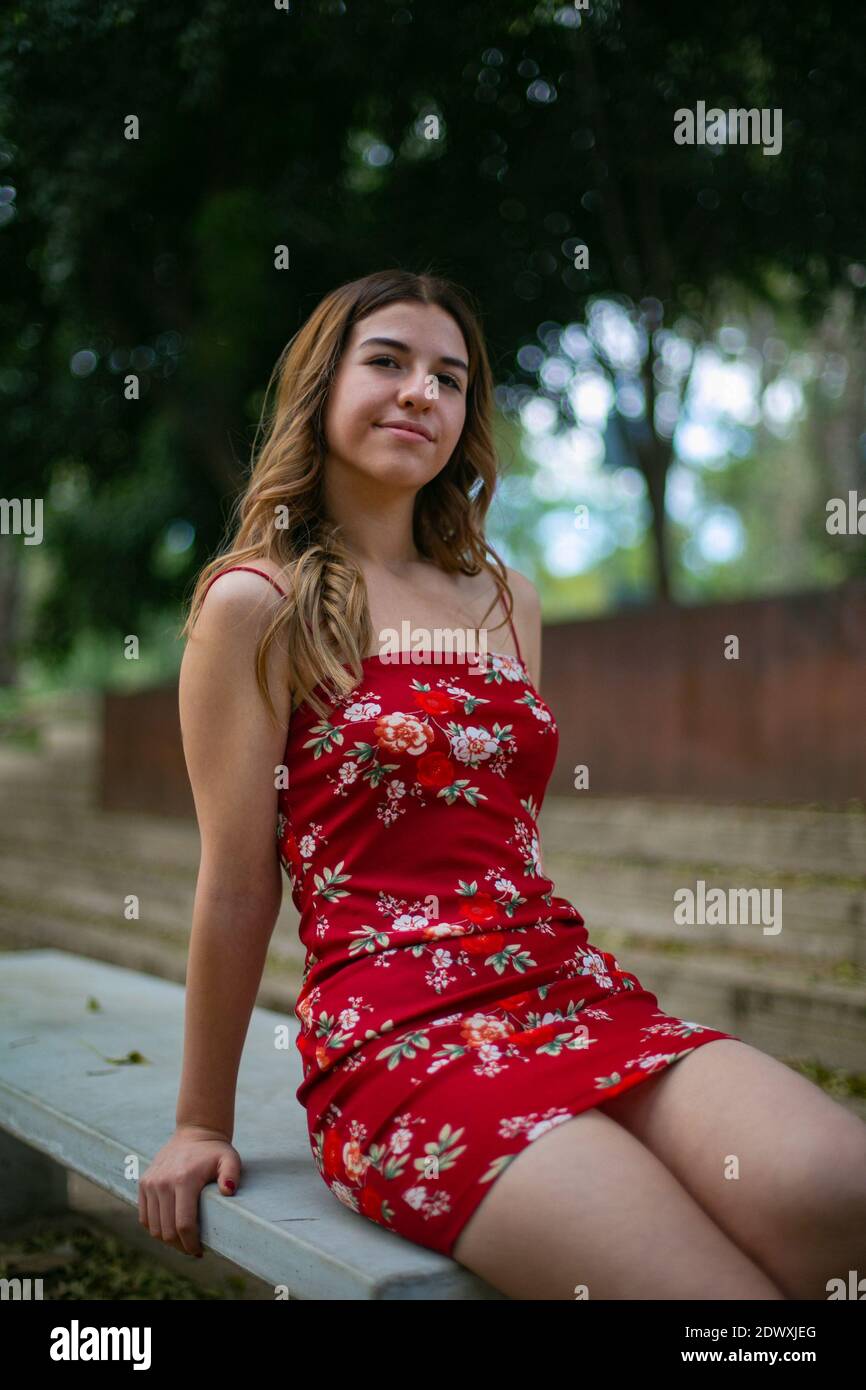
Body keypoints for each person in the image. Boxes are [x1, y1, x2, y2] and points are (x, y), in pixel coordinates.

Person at [139, 269, 866, 1300]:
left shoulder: (503, 598)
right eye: (386, 360)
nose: (419, 392)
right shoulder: (256, 604)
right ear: (318, 386)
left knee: (836, 1189)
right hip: (399, 1037)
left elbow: (500, 838)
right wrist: (198, 1125)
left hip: (566, 990)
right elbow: (235, 880)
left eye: (449, 377)